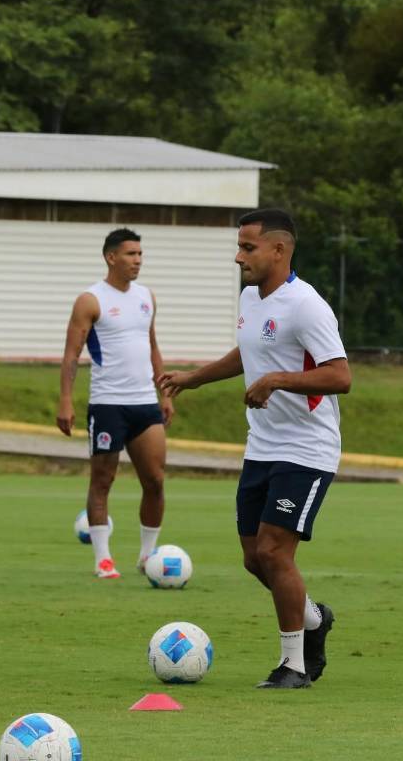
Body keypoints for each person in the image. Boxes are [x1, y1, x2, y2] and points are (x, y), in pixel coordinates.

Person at [159, 208, 350, 689]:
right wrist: (193, 378)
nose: (238, 256)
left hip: (307, 449)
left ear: (279, 250)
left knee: (274, 551)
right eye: (239, 246)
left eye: (248, 247)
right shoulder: (250, 296)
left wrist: (277, 381)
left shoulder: (306, 305)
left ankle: (295, 665)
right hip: (261, 445)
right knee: (253, 558)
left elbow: (340, 375)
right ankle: (313, 618)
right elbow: (247, 351)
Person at [57, 228, 173, 580]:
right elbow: (71, 354)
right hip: (107, 404)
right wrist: (65, 400)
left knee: (154, 481)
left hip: (144, 404)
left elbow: (152, 346)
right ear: (111, 257)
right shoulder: (90, 300)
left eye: (140, 254)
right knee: (102, 481)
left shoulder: (146, 297)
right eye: (130, 254)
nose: (138, 260)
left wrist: (164, 391)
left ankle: (146, 556)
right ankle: (103, 559)